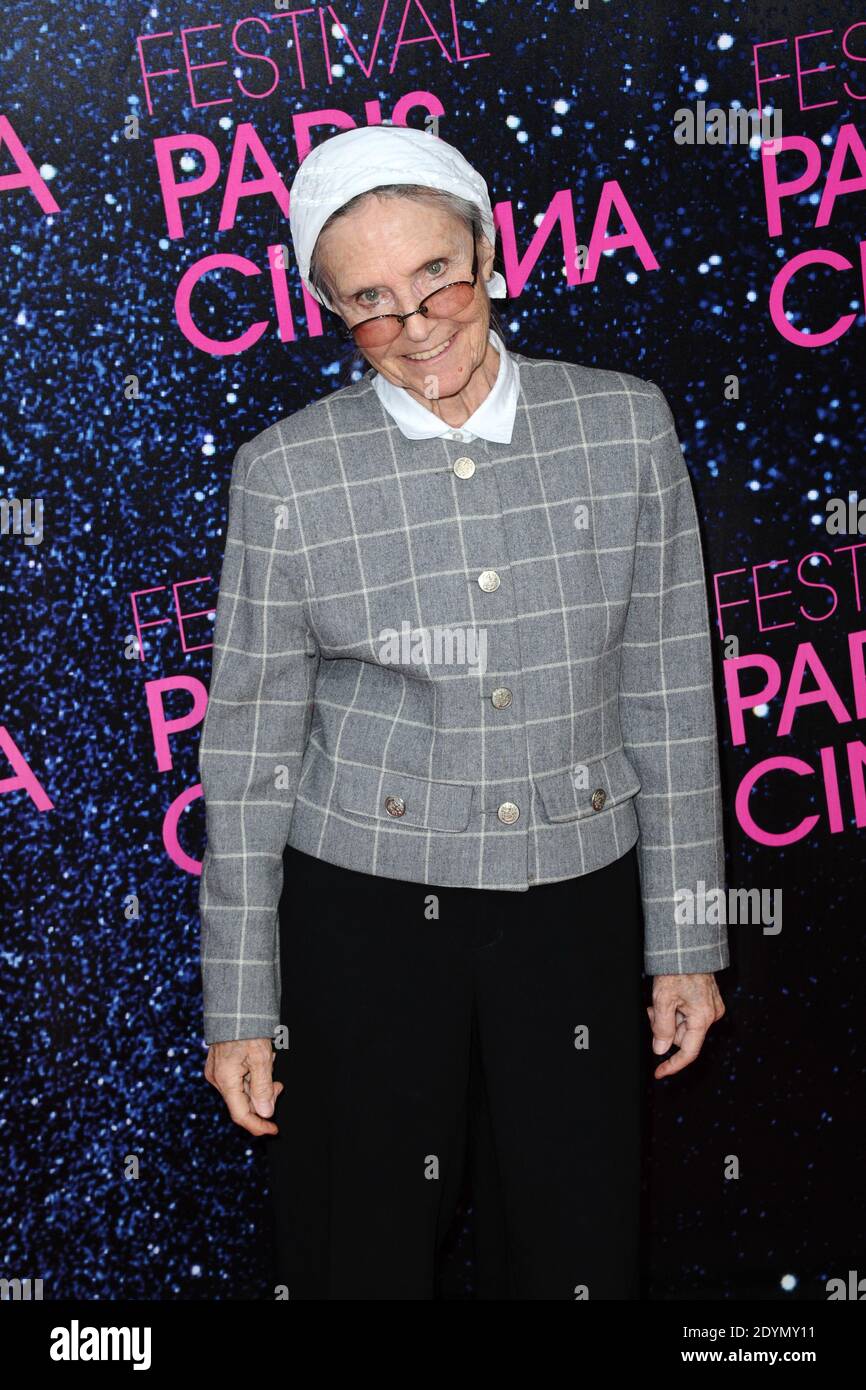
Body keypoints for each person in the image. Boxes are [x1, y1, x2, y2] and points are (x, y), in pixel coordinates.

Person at [198, 123, 728, 1300]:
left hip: (575, 905)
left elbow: (669, 688)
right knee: (361, 1251)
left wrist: (683, 938)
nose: (415, 322)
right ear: (333, 315)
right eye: (369, 301)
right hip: (364, 917)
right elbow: (246, 753)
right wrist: (239, 1004)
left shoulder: (624, 424)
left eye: (435, 272)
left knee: (576, 1244)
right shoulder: (285, 471)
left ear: (489, 251)